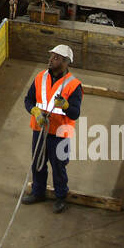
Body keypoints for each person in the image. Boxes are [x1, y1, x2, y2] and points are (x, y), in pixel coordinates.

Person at [22, 43, 83, 213]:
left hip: (60, 133)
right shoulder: (40, 77)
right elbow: (28, 100)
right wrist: (34, 111)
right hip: (40, 130)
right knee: (38, 163)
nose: (51, 60)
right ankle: (38, 192)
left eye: (56, 58)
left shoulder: (73, 85)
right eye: (51, 56)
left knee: (58, 166)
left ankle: (61, 197)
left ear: (65, 62)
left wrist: (65, 106)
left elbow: (75, 113)